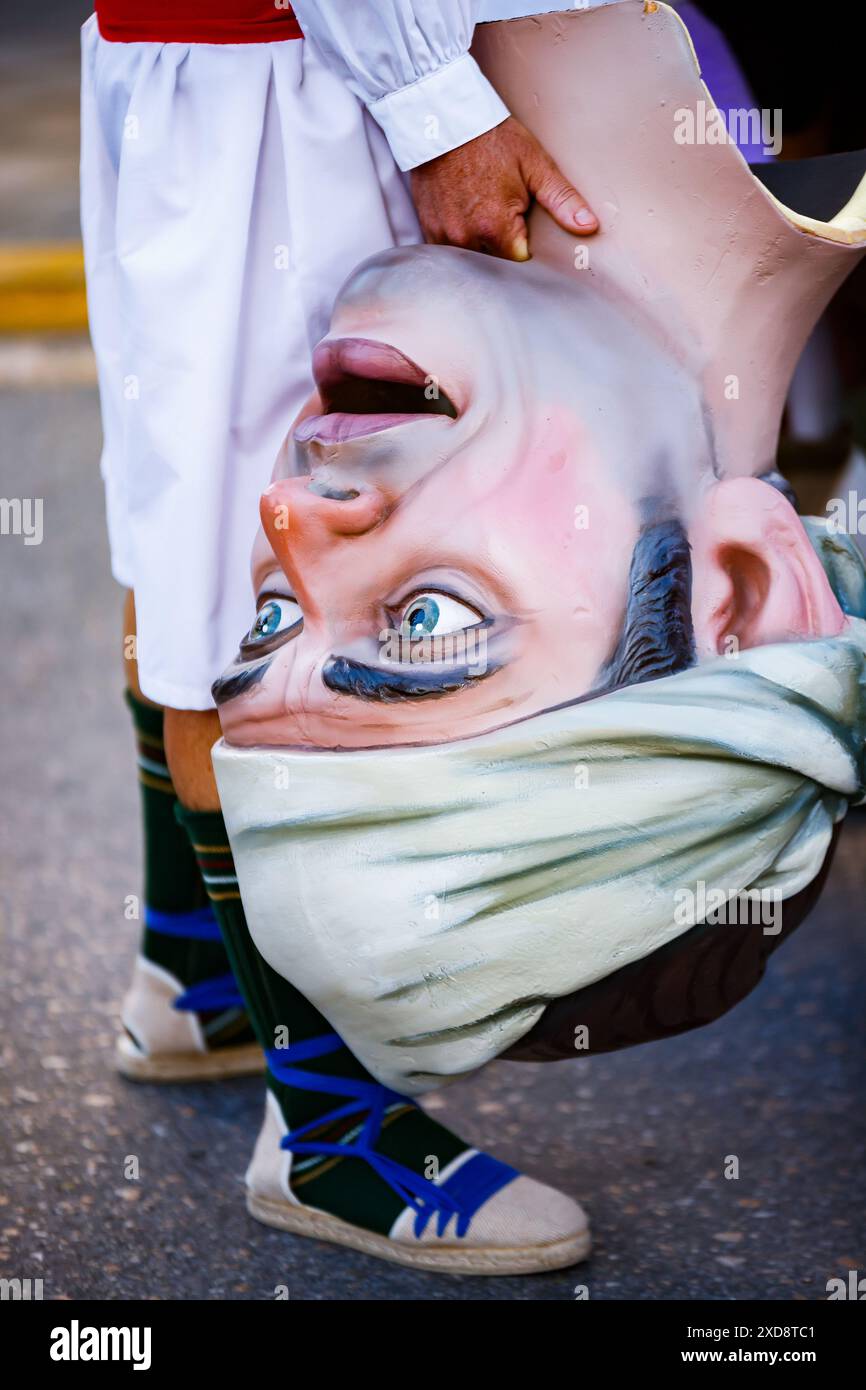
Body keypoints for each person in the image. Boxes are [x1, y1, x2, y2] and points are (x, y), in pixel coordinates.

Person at [81, 0, 601, 1274]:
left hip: (238, 73)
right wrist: (432, 101)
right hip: (284, 79)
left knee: (194, 526)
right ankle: (327, 1130)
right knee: (271, 585)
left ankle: (193, 976)